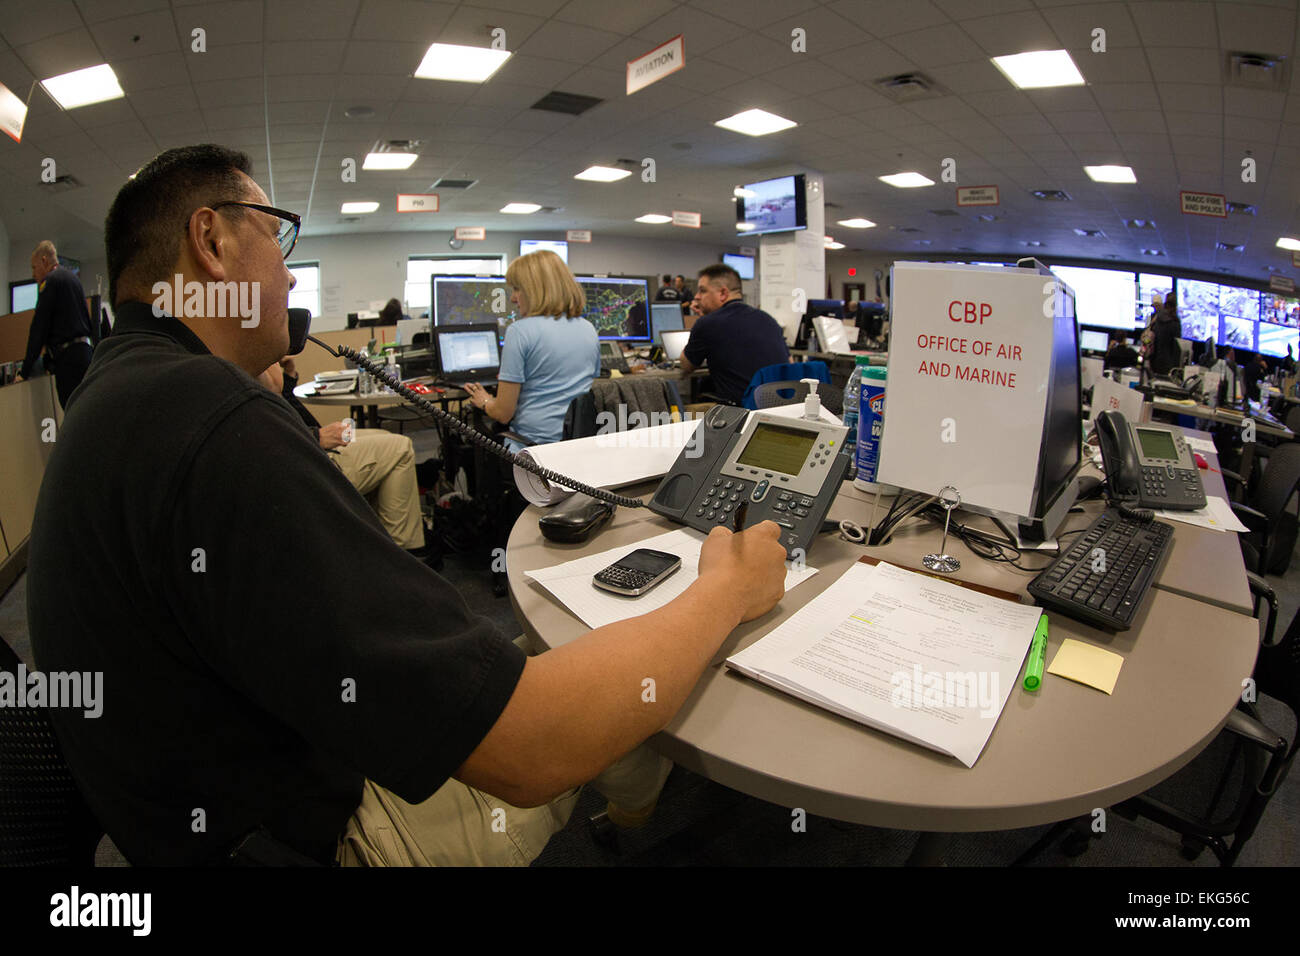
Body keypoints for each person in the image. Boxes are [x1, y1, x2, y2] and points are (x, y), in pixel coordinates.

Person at [28, 144, 789, 866]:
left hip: (213, 817)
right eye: (277, 236)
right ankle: (635, 830)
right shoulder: (207, 413)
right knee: (638, 655)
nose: (291, 281)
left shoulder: (118, 393)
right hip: (332, 836)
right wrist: (728, 589)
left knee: (592, 647)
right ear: (211, 242)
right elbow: (528, 748)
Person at [256, 355, 436, 566]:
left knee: (384, 436)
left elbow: (283, 403)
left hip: (310, 440)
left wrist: (289, 377)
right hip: (311, 454)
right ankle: (404, 554)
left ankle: (380, 539)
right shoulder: (249, 368)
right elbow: (273, 393)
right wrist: (317, 436)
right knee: (401, 447)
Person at [462, 250, 601, 451]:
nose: (513, 298)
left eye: (517, 289)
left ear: (536, 290)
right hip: (577, 447)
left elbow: (503, 413)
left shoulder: (520, 332)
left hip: (532, 451)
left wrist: (484, 400)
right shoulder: (588, 328)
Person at [680, 263, 790, 405]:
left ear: (723, 293)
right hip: (778, 410)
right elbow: (790, 362)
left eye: (702, 291)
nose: (697, 296)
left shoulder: (707, 324)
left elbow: (686, 366)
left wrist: (702, 321)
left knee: (677, 412)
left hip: (739, 413)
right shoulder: (769, 320)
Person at [16, 240, 96, 408]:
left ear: (44, 261)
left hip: (68, 362)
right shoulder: (73, 280)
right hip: (86, 356)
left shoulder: (50, 282)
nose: (33, 274)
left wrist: (24, 371)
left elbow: (39, 328)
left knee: (72, 413)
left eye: (34, 267)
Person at [1148, 291, 1183, 375]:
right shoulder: (1174, 322)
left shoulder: (1156, 317)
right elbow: (1177, 346)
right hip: (1169, 365)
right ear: (1176, 305)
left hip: (1154, 361)